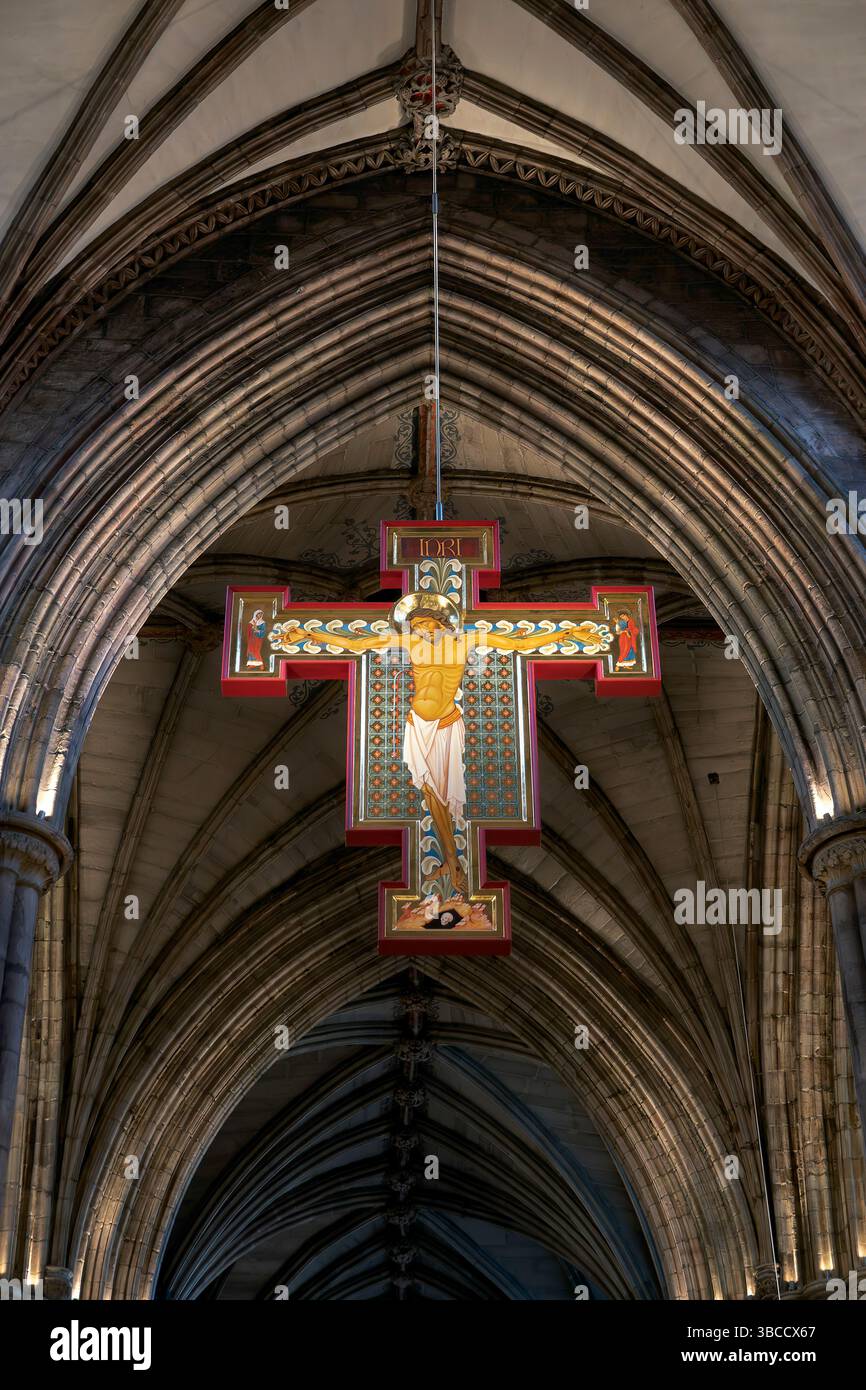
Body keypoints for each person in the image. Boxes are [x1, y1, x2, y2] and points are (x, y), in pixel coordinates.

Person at [276, 593, 602, 893]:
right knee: (430, 792)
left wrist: (567, 635)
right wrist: (309, 636)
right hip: (417, 725)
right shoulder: (411, 646)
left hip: (447, 725)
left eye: (425, 626)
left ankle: (452, 859)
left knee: (445, 794)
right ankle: (451, 857)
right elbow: (356, 642)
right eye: (415, 628)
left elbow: (519, 641)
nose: (421, 632)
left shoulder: (465, 643)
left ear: (441, 623)